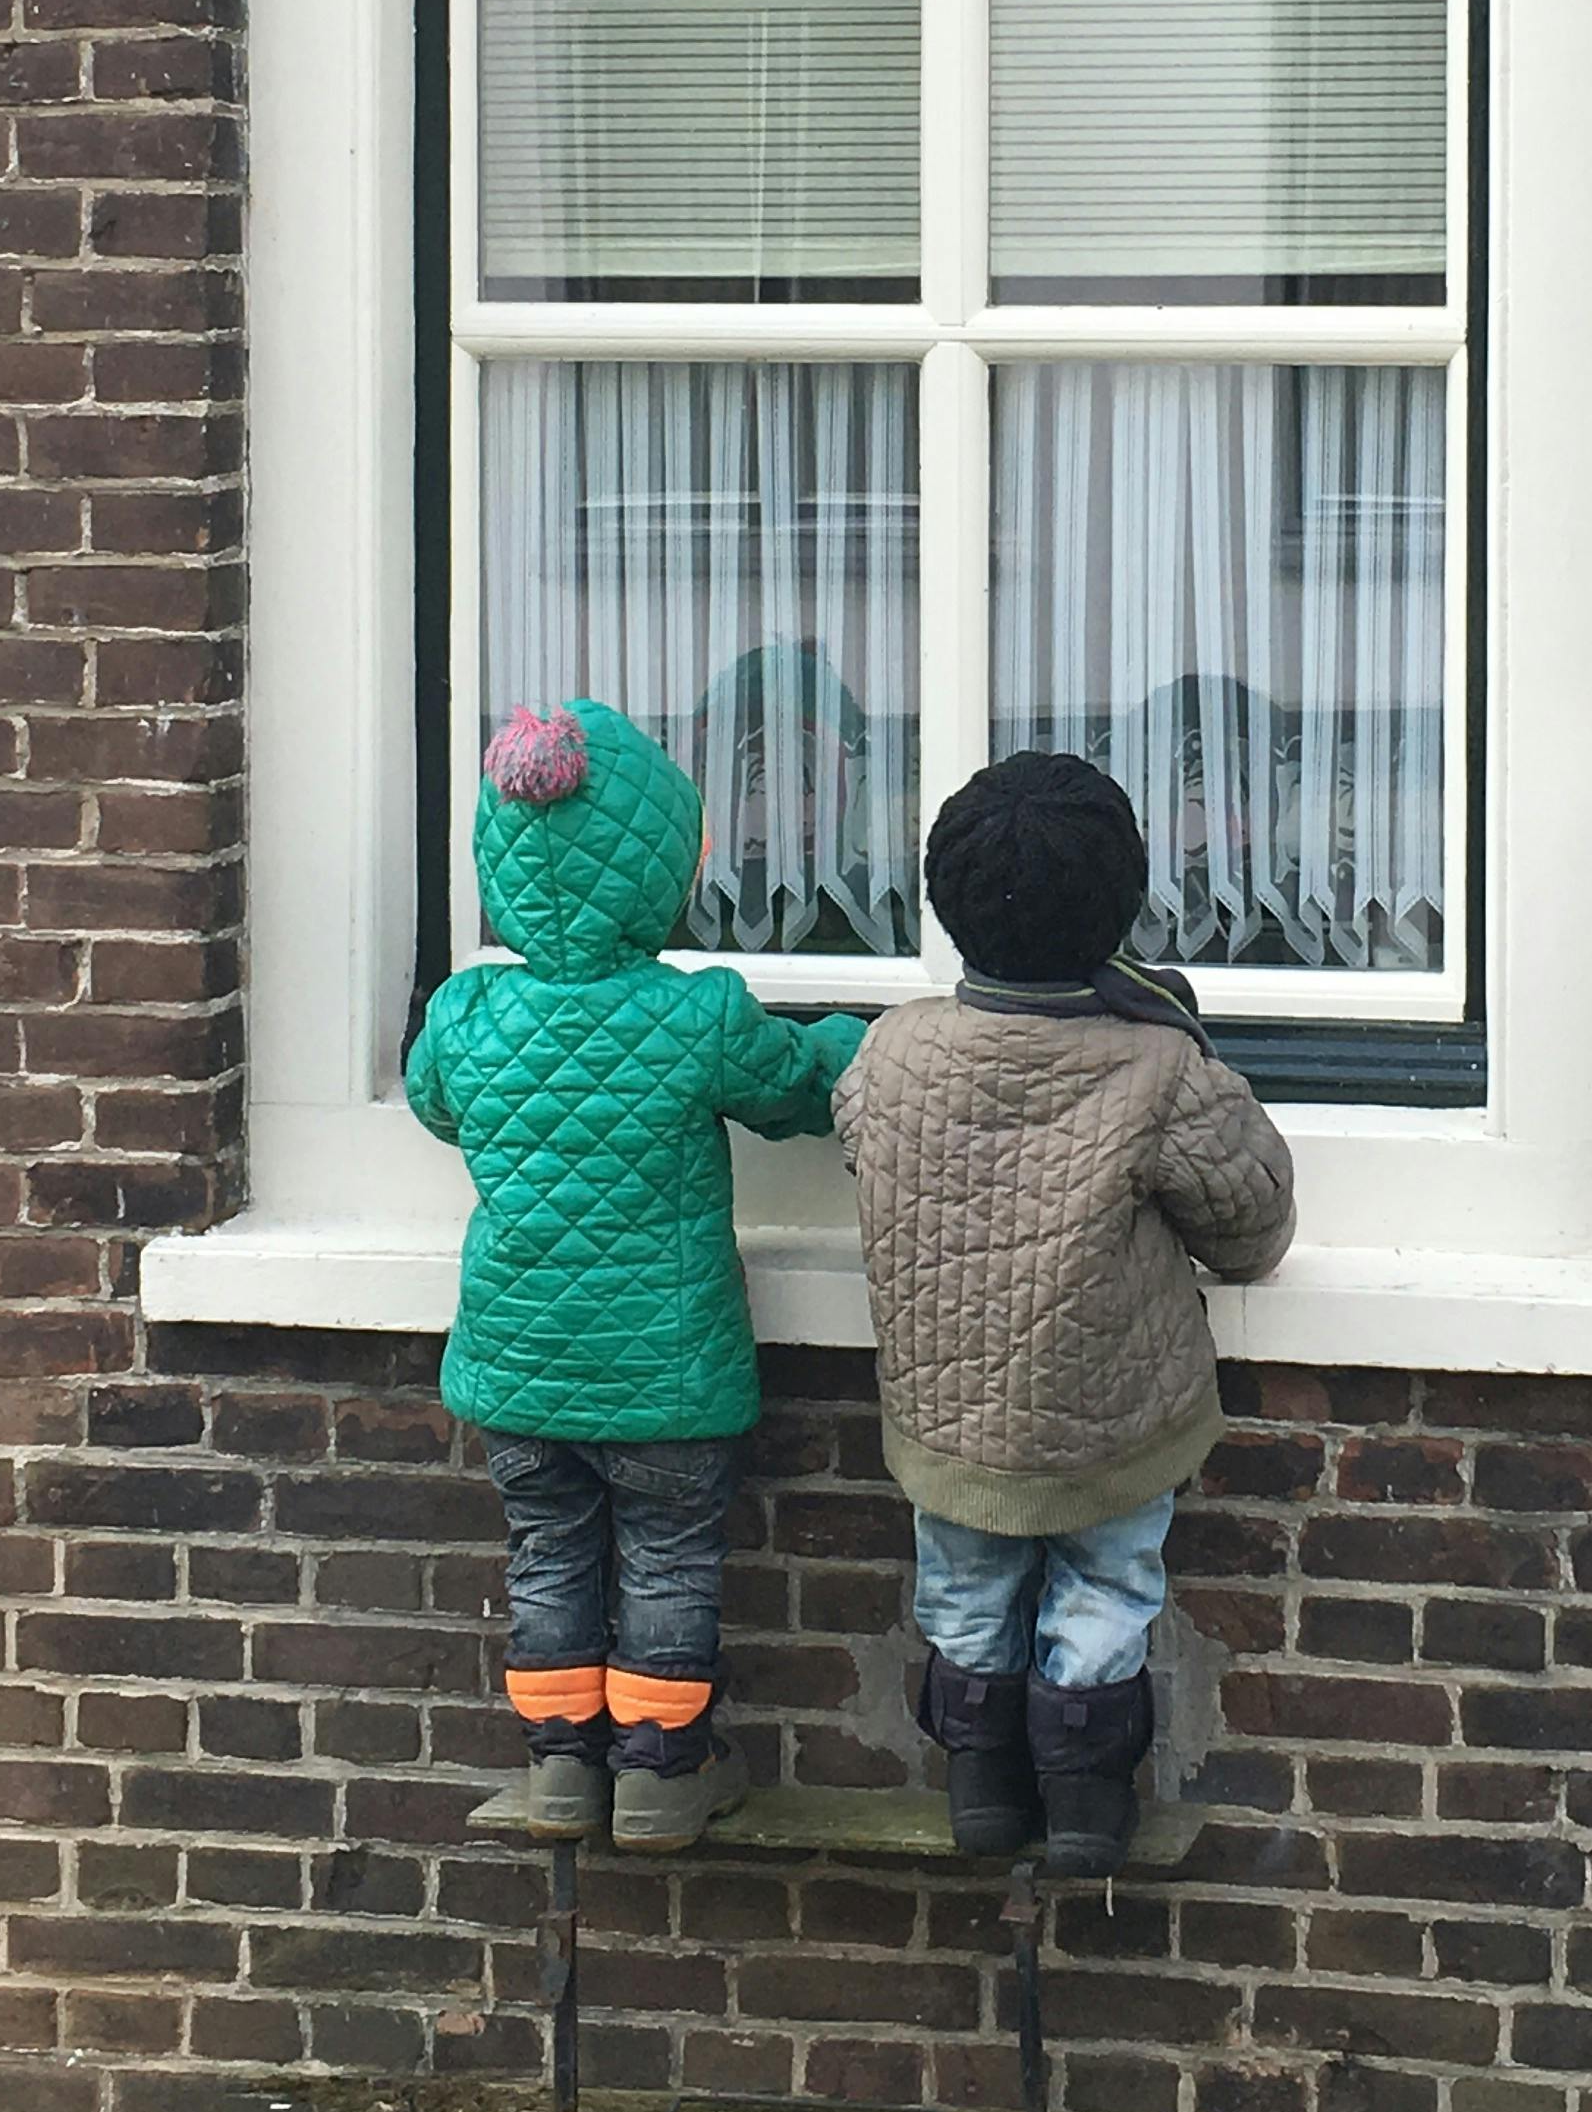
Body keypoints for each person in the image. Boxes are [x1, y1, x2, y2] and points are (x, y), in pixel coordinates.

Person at [409, 699, 864, 1847]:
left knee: (548, 1550)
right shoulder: (695, 1013)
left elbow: (432, 1101)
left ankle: (563, 1763)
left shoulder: (467, 1015)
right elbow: (795, 1092)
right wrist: (858, 1044)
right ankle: (662, 1769)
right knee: (667, 1556)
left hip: (519, 1364)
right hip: (664, 1367)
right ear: (664, 864)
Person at [834, 754, 1296, 1870]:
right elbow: (1252, 1226)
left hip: (954, 1427)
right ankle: (1087, 1799)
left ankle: (983, 1788)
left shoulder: (892, 1052)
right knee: (1106, 1588)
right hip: (1114, 1424)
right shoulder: (1158, 1065)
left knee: (963, 1587)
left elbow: (856, 1140)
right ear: (1118, 906)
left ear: (947, 905)